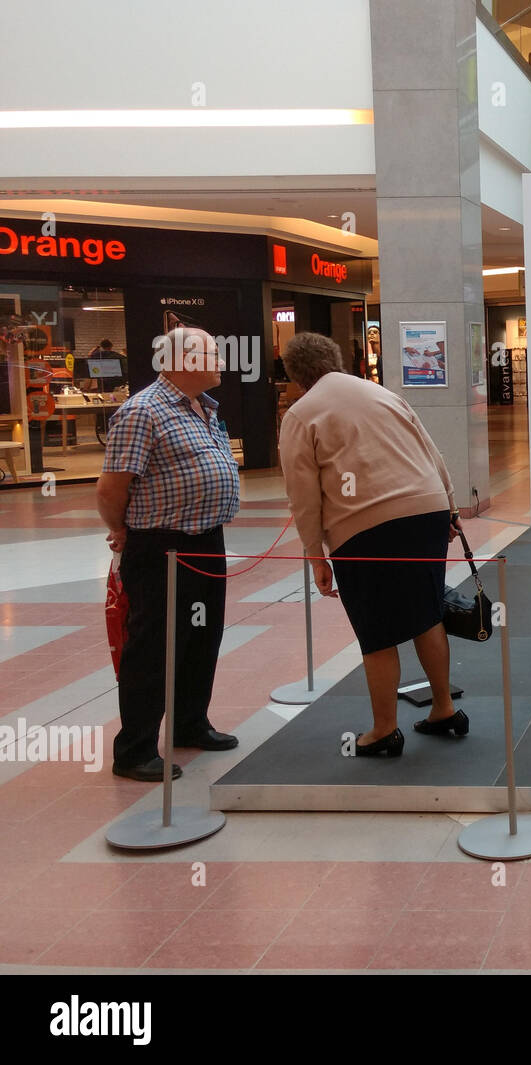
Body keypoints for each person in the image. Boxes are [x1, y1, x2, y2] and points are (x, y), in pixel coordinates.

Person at [277, 332, 465, 758]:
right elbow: (431, 452)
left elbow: (303, 494)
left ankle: (384, 730)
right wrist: (450, 508)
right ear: (335, 358)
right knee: (427, 614)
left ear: (294, 374)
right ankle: (444, 707)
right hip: (426, 510)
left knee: (377, 631)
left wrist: (315, 554)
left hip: (365, 527)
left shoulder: (302, 414)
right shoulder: (382, 393)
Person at [96, 327, 240, 781]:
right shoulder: (142, 412)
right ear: (184, 360)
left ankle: (189, 723)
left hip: (205, 541)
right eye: (214, 354)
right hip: (162, 547)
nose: (221, 360)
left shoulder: (204, 407)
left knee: (202, 635)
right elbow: (111, 485)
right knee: (155, 645)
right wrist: (121, 529)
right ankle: (135, 749)